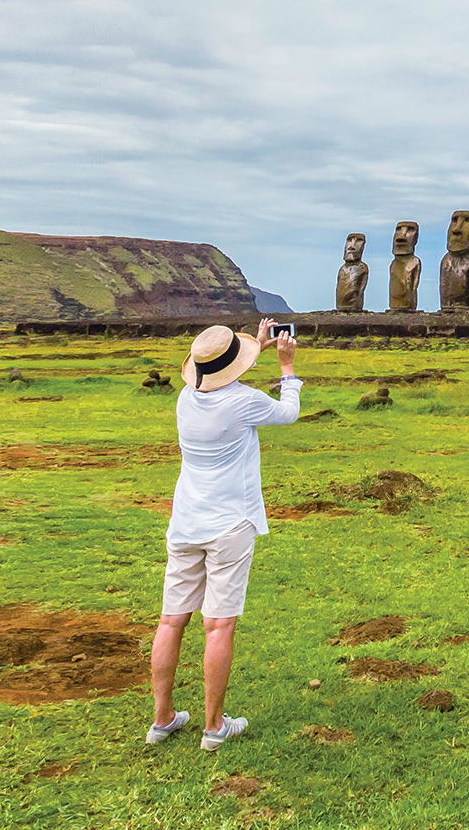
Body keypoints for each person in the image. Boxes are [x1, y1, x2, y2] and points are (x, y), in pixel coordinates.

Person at [144, 319, 299, 750]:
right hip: (231, 522)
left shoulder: (184, 399)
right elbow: (287, 412)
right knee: (219, 625)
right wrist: (287, 367)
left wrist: (258, 349)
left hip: (186, 521)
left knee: (171, 619)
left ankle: (163, 718)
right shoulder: (244, 402)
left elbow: (219, 382)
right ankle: (214, 726)